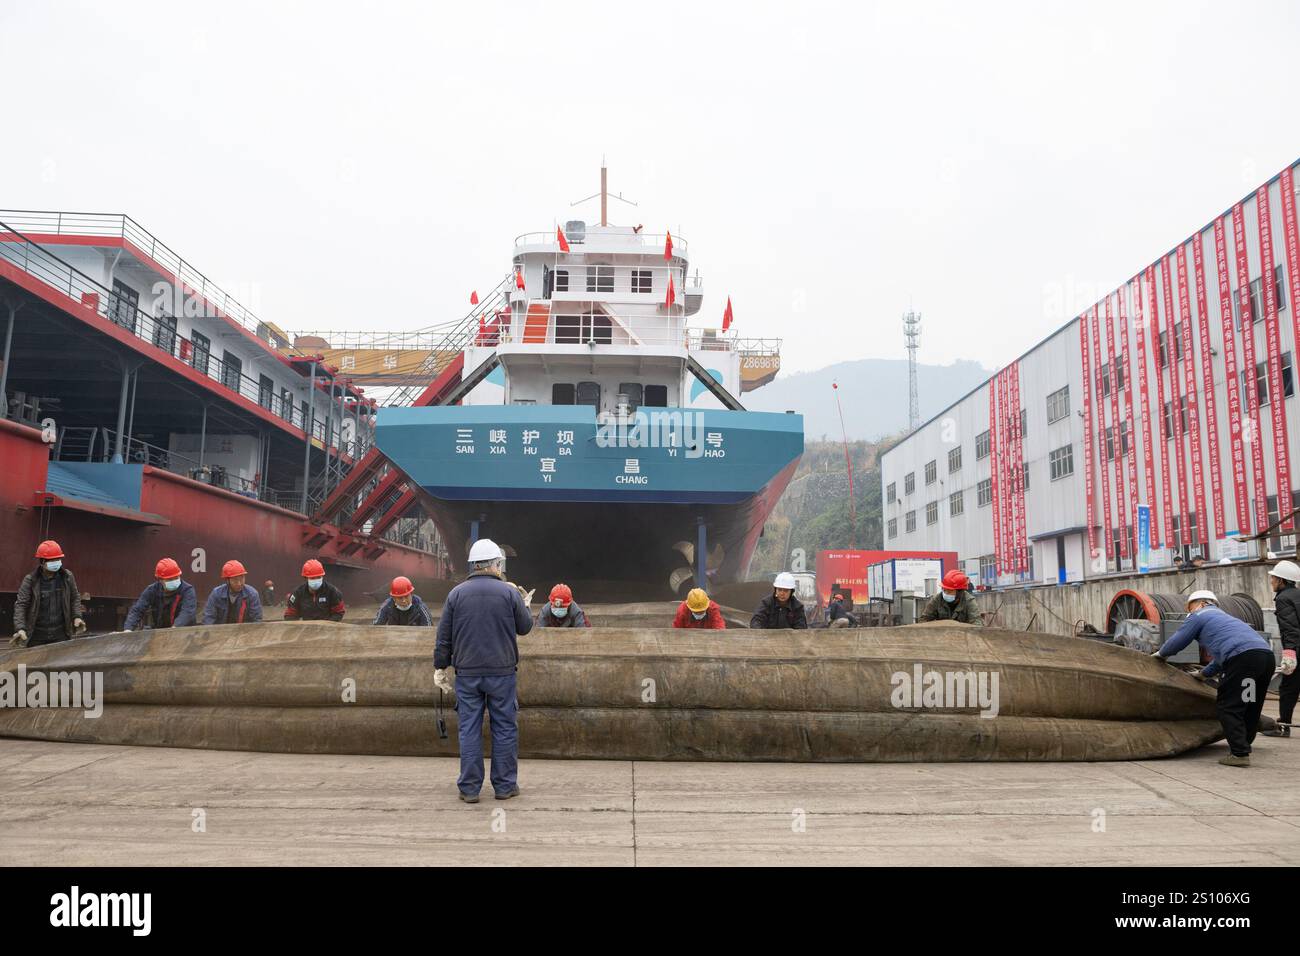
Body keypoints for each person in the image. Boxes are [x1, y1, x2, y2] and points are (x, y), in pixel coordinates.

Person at [434, 539, 532, 803]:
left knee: (469, 729)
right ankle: (504, 786)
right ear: (495, 564)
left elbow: (444, 636)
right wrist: (526, 606)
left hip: (467, 673)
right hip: (501, 672)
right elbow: (525, 628)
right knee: (505, 728)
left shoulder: (456, 594)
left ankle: (469, 789)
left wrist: (440, 666)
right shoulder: (509, 593)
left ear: (473, 565)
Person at [1153, 589, 1276, 767]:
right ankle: (1244, 744)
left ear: (1202, 603)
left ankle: (1239, 754)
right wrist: (1204, 674)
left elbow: (1180, 639)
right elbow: (1222, 658)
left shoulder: (1200, 615)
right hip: (1264, 658)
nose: (1190, 611)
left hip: (1242, 660)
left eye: (1191, 607)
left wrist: (1160, 655)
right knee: (1250, 703)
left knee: (1228, 706)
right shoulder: (1229, 620)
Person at [11, 540, 86, 647]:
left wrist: (77, 617)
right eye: (52, 560)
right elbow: (21, 605)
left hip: (61, 634)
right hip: (36, 635)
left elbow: (74, 598)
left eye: (58, 559)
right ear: (42, 562)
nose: (56, 562)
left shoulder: (67, 577)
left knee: (61, 663)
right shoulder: (30, 580)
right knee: (25, 664)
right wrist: (20, 628)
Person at [1264, 560, 1300, 738]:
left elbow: (1290, 627)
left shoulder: (1283, 598)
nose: (1271, 581)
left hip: (1297, 648)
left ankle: (1284, 725)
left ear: (1282, 581)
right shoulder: (1298, 595)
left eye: (1274, 578)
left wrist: (1290, 653)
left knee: (1289, 688)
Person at [124, 558, 197, 631]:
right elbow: (138, 610)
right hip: (159, 631)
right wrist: (128, 629)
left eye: (176, 577)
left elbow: (187, 613)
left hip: (184, 633)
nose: (174, 581)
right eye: (170, 579)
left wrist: (174, 628)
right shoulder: (152, 590)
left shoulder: (188, 590)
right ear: (160, 580)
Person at [203, 560, 264, 625]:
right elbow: (208, 618)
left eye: (242, 579)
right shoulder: (216, 594)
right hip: (220, 631)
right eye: (235, 580)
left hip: (245, 632)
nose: (239, 583)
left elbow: (256, 620)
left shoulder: (252, 594)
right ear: (227, 580)